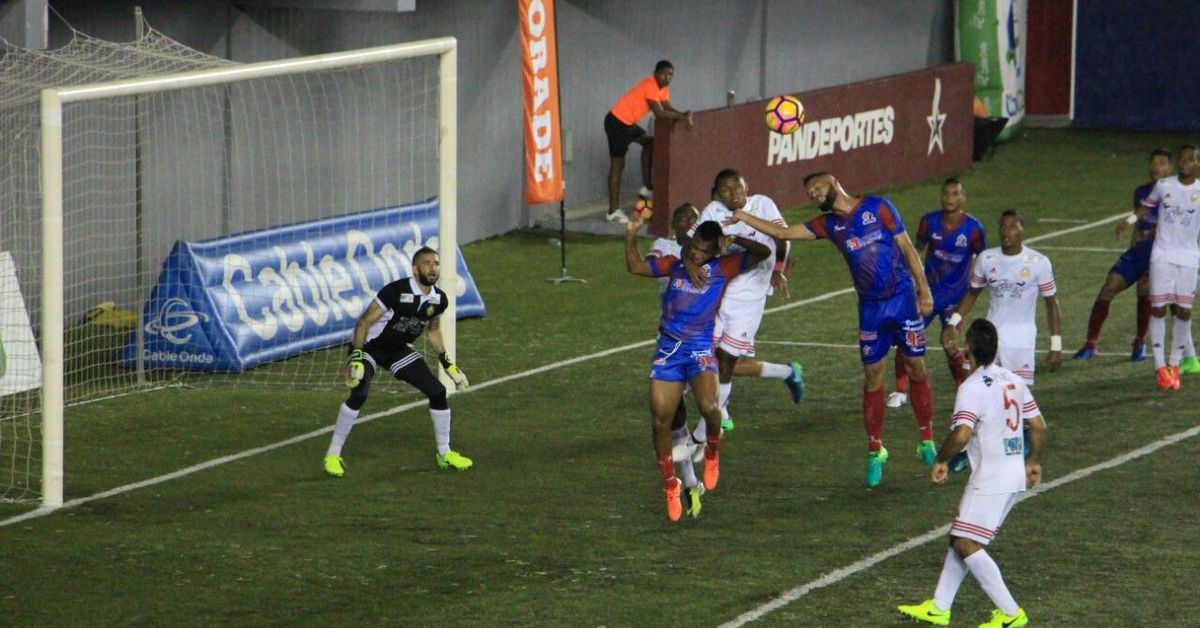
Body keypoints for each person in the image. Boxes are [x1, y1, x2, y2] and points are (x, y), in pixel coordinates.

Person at [726, 172, 936, 488]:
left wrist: (924, 289)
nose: (813, 194)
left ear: (834, 182)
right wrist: (744, 216)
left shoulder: (878, 207)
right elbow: (783, 232)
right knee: (873, 376)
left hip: (903, 299)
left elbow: (907, 248)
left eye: (816, 188)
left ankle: (926, 437)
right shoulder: (828, 225)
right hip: (871, 309)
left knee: (917, 367)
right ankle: (876, 449)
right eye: (809, 192)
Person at [897, 318, 1046, 628]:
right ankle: (940, 606)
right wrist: (1033, 462)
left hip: (991, 477)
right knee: (959, 535)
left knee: (967, 544)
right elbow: (1039, 426)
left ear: (969, 349)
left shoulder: (972, 386)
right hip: (1012, 472)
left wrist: (941, 459)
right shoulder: (1014, 380)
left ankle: (1010, 613)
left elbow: (963, 434)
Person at [625, 211, 769, 521]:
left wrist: (738, 240)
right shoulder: (675, 265)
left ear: (716, 250)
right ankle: (670, 485)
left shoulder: (725, 266)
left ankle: (713, 453)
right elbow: (635, 266)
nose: (698, 254)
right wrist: (631, 234)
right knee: (660, 421)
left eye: (705, 251)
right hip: (668, 350)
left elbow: (764, 253)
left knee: (710, 408)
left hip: (700, 349)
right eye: (695, 248)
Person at [322, 247, 472, 477]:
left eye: (436, 263)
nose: (433, 268)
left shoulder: (439, 300)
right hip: (369, 348)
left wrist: (447, 362)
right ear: (415, 269)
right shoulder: (395, 291)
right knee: (359, 394)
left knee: (438, 392)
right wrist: (358, 358)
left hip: (396, 350)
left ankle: (445, 453)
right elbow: (363, 323)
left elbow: (432, 330)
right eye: (427, 263)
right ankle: (333, 454)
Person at [695, 169, 804, 434]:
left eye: (737, 187)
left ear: (747, 185)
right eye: (725, 190)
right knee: (707, 359)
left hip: (750, 297)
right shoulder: (713, 211)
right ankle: (786, 373)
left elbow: (783, 236)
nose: (733, 193)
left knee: (726, 362)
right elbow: (700, 242)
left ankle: (714, 422)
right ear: (717, 194)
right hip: (719, 291)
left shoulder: (763, 204)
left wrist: (778, 270)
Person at [888, 177, 986, 408]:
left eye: (955, 194)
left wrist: (972, 292)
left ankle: (963, 391)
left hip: (956, 298)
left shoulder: (974, 229)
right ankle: (900, 391)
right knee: (907, 339)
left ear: (963, 197)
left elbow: (983, 261)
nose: (949, 198)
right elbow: (917, 251)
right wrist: (909, 282)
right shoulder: (929, 222)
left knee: (949, 342)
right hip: (928, 296)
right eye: (946, 193)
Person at [1073, 148, 1174, 362]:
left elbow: (1172, 225)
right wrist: (1131, 226)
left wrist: (1149, 232)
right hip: (1138, 253)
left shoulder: (1176, 194)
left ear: (1170, 168)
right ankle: (1091, 343)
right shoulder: (1141, 192)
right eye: (1153, 162)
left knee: (1144, 287)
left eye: (1161, 163)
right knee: (1109, 286)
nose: (1156, 166)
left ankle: (1139, 343)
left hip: (1160, 254)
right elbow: (1142, 216)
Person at [942, 210, 1062, 386]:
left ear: (1023, 230)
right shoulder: (987, 258)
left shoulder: (1038, 262)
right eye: (1003, 226)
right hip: (989, 335)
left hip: (1020, 339)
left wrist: (1056, 345)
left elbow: (1052, 304)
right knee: (972, 385)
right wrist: (953, 322)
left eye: (1013, 226)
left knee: (1016, 397)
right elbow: (972, 293)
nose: (1007, 231)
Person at [604, 60, 693, 224]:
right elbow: (659, 113)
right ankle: (613, 212)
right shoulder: (650, 84)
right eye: (664, 73)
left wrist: (682, 113)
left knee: (650, 143)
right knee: (618, 165)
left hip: (628, 124)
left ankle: (647, 187)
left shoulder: (663, 87)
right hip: (616, 122)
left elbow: (666, 106)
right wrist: (682, 117)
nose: (667, 77)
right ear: (655, 73)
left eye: (670, 74)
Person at [1143, 144, 1200, 389]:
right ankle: (1159, 367)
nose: (1185, 162)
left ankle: (1174, 365)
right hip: (1162, 254)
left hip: (1189, 258)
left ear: (1198, 163)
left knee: (1184, 311)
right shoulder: (1164, 186)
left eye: (1190, 159)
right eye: (1182, 159)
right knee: (1158, 307)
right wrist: (1131, 221)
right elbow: (1145, 207)